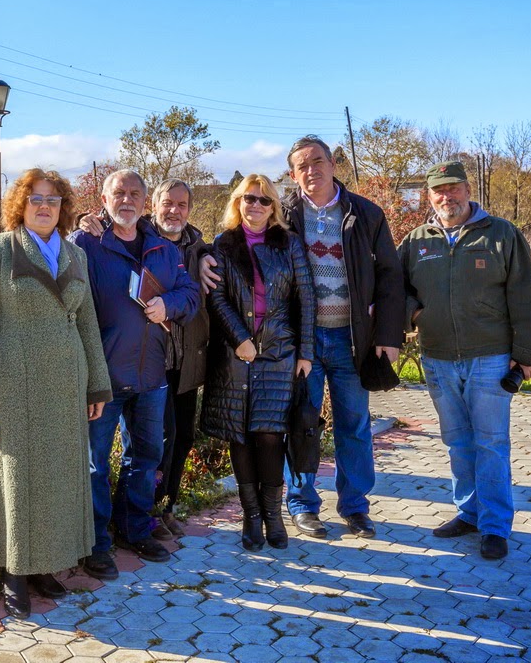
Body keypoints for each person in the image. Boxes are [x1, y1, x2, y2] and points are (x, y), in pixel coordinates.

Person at [201, 135, 404, 540]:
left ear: (332, 165)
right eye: (302, 166)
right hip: (300, 343)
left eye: (318, 162)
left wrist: (387, 334)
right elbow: (239, 240)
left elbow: (390, 276)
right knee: (300, 423)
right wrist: (198, 256)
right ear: (293, 175)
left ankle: (355, 506)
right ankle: (302, 506)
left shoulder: (364, 213)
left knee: (355, 424)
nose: (311, 171)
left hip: (350, 338)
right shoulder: (287, 214)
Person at [0, 169, 112, 618]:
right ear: (20, 205)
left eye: (53, 200)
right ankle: (14, 573)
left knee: (58, 479)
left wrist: (97, 382)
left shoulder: (74, 255)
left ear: (63, 208)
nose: (44, 207)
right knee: (19, 480)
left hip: (66, 386)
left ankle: (45, 565)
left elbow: (87, 325)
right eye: (35, 199)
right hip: (14, 386)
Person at [397, 161, 531, 560]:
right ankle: (469, 513)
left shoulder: (501, 234)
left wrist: (529, 353)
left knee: (491, 443)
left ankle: (495, 526)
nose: (447, 197)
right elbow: (394, 287)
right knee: (457, 442)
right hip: (438, 358)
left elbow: (527, 296)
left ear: (468, 189)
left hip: (490, 359)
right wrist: (414, 314)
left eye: (454, 188)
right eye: (438, 191)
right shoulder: (416, 241)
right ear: (429, 197)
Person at [71, 170, 200, 580]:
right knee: (95, 464)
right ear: (104, 198)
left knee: (145, 458)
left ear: (145, 200)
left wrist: (169, 304)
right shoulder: (87, 243)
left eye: (134, 193)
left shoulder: (162, 247)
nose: (127, 200)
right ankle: (95, 543)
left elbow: (191, 294)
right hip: (103, 376)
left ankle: (135, 528)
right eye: (119, 193)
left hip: (151, 375)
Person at [200, 175, 314, 550]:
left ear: (273, 207)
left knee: (269, 434)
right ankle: (250, 518)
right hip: (236, 355)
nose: (256, 206)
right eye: (249, 198)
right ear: (237, 202)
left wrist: (306, 352)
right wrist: (241, 340)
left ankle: (273, 515)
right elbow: (216, 299)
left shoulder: (288, 243)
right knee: (240, 435)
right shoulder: (223, 244)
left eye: (264, 201)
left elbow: (305, 299)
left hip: (279, 353)